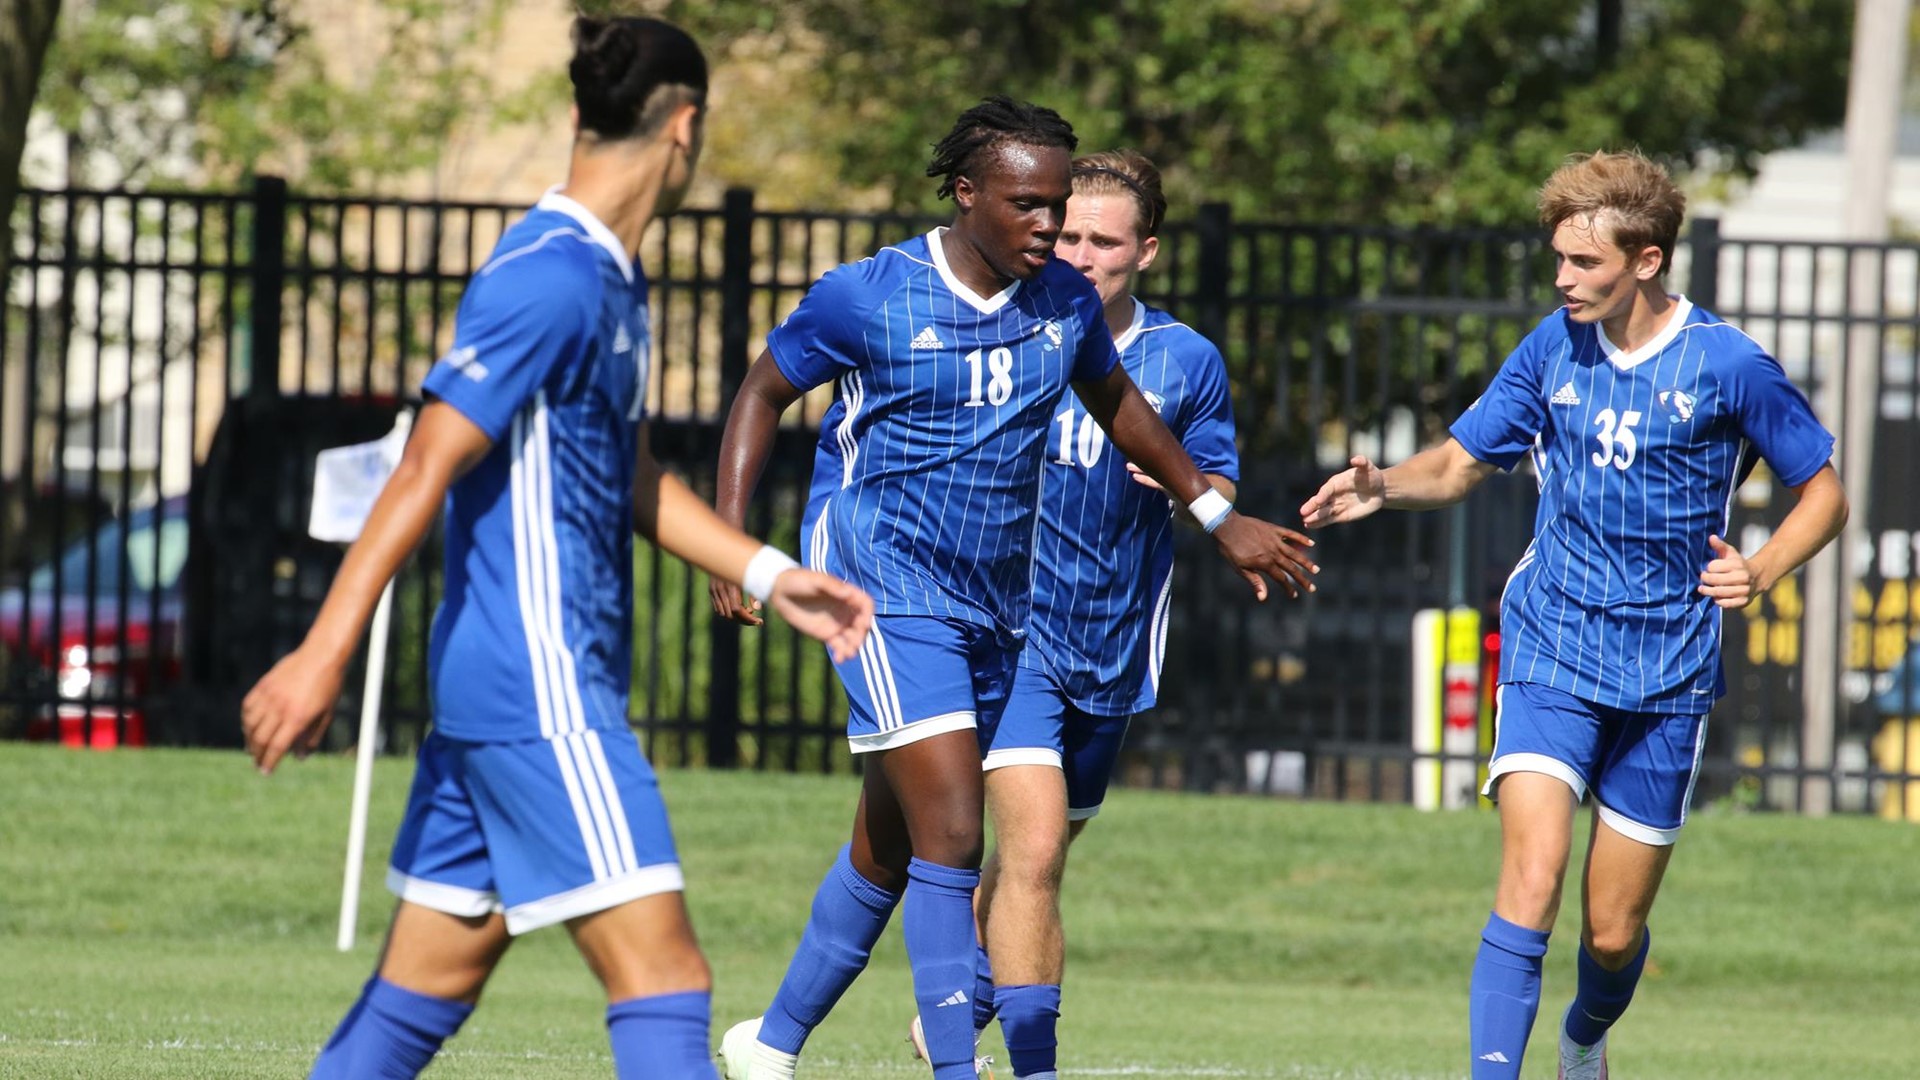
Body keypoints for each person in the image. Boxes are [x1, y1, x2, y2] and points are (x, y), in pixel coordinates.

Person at [238, 18, 873, 1080]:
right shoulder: (551, 276)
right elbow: (424, 464)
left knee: (424, 988)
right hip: (538, 684)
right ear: (686, 126)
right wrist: (322, 653)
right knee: (666, 976)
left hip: (508, 687)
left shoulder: (612, 278)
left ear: (582, 113)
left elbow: (628, 476)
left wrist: (765, 569)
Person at [706, 98, 1318, 1080]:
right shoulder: (870, 295)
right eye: (1027, 205)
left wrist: (1215, 515)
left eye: (1058, 205)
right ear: (966, 193)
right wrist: (730, 541)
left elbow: (1118, 402)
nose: (1048, 226)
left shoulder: (1061, 304)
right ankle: (963, 1069)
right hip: (879, 579)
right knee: (957, 830)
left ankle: (769, 1044)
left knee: (889, 842)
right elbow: (761, 391)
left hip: (995, 597)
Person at [1299, 149, 1848, 1080]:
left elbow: (1824, 494)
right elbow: (1460, 464)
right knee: (1532, 875)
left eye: (1584, 261)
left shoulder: (1729, 364)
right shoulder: (1551, 346)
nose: (1563, 277)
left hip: (1669, 670)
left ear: (1647, 260)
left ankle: (1584, 1041)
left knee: (1611, 933)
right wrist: (1383, 485)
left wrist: (1760, 570)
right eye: (1558, 257)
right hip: (1552, 644)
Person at [898, 147, 1242, 1078]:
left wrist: (1188, 488)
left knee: (1041, 856)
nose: (1081, 255)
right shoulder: (1013, 332)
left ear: (1147, 252)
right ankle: (1034, 1063)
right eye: (1069, 236)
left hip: (1112, 645)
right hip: (1012, 633)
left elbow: (1218, 480)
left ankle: (966, 987)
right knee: (1036, 846)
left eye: (1105, 242)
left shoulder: (1186, 360)